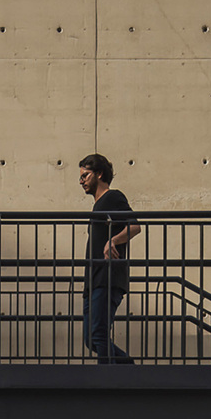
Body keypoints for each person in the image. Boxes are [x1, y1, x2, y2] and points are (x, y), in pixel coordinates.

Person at [77, 153, 141, 364]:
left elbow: (134, 225)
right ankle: (127, 367)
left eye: (85, 175)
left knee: (98, 335)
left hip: (107, 278)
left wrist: (113, 240)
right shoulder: (97, 206)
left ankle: (108, 379)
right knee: (90, 339)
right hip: (93, 281)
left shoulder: (113, 197)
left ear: (99, 174)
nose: (81, 181)